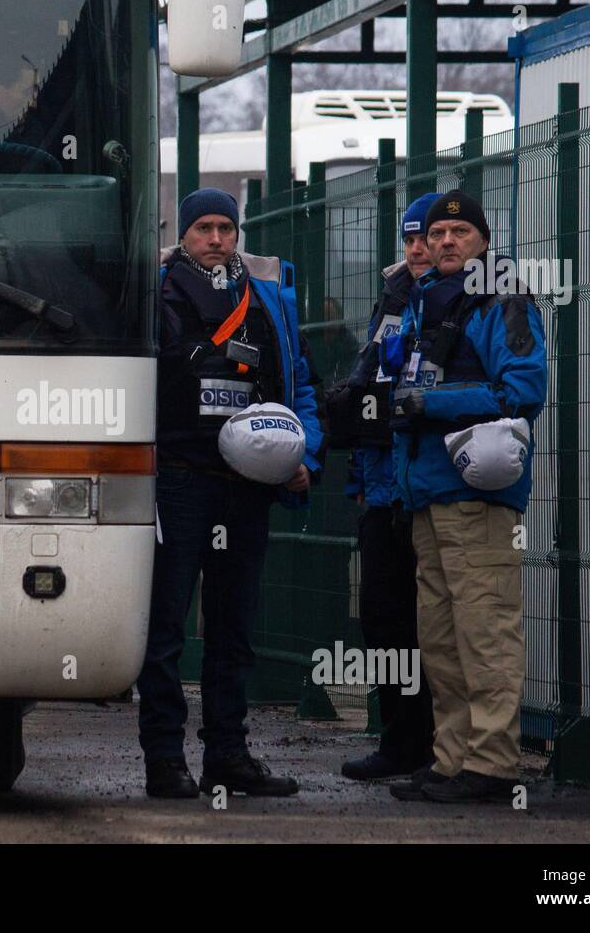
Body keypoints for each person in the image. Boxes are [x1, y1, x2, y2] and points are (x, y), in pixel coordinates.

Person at [140, 188, 324, 798]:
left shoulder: (268, 298)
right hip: (178, 481)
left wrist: (304, 457)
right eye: (203, 229)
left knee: (233, 629)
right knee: (166, 626)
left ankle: (228, 754)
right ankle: (165, 758)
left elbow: (301, 386)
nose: (216, 239)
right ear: (184, 234)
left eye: (225, 228)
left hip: (246, 487)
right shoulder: (155, 292)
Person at [382, 189, 547, 803]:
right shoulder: (429, 303)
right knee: (445, 639)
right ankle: (453, 759)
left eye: (461, 232)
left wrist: (432, 404)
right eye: (438, 233)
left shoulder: (504, 300)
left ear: (483, 240)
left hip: (476, 496)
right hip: (429, 495)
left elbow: (523, 391)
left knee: (485, 631)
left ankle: (492, 763)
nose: (446, 241)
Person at [332, 193, 440, 782]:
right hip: (380, 487)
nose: (420, 248)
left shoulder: (472, 298)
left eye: (428, 236)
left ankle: (447, 749)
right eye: (411, 238)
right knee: (383, 616)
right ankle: (401, 742)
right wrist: (358, 479)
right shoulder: (392, 297)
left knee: (440, 623)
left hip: (431, 486)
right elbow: (365, 390)